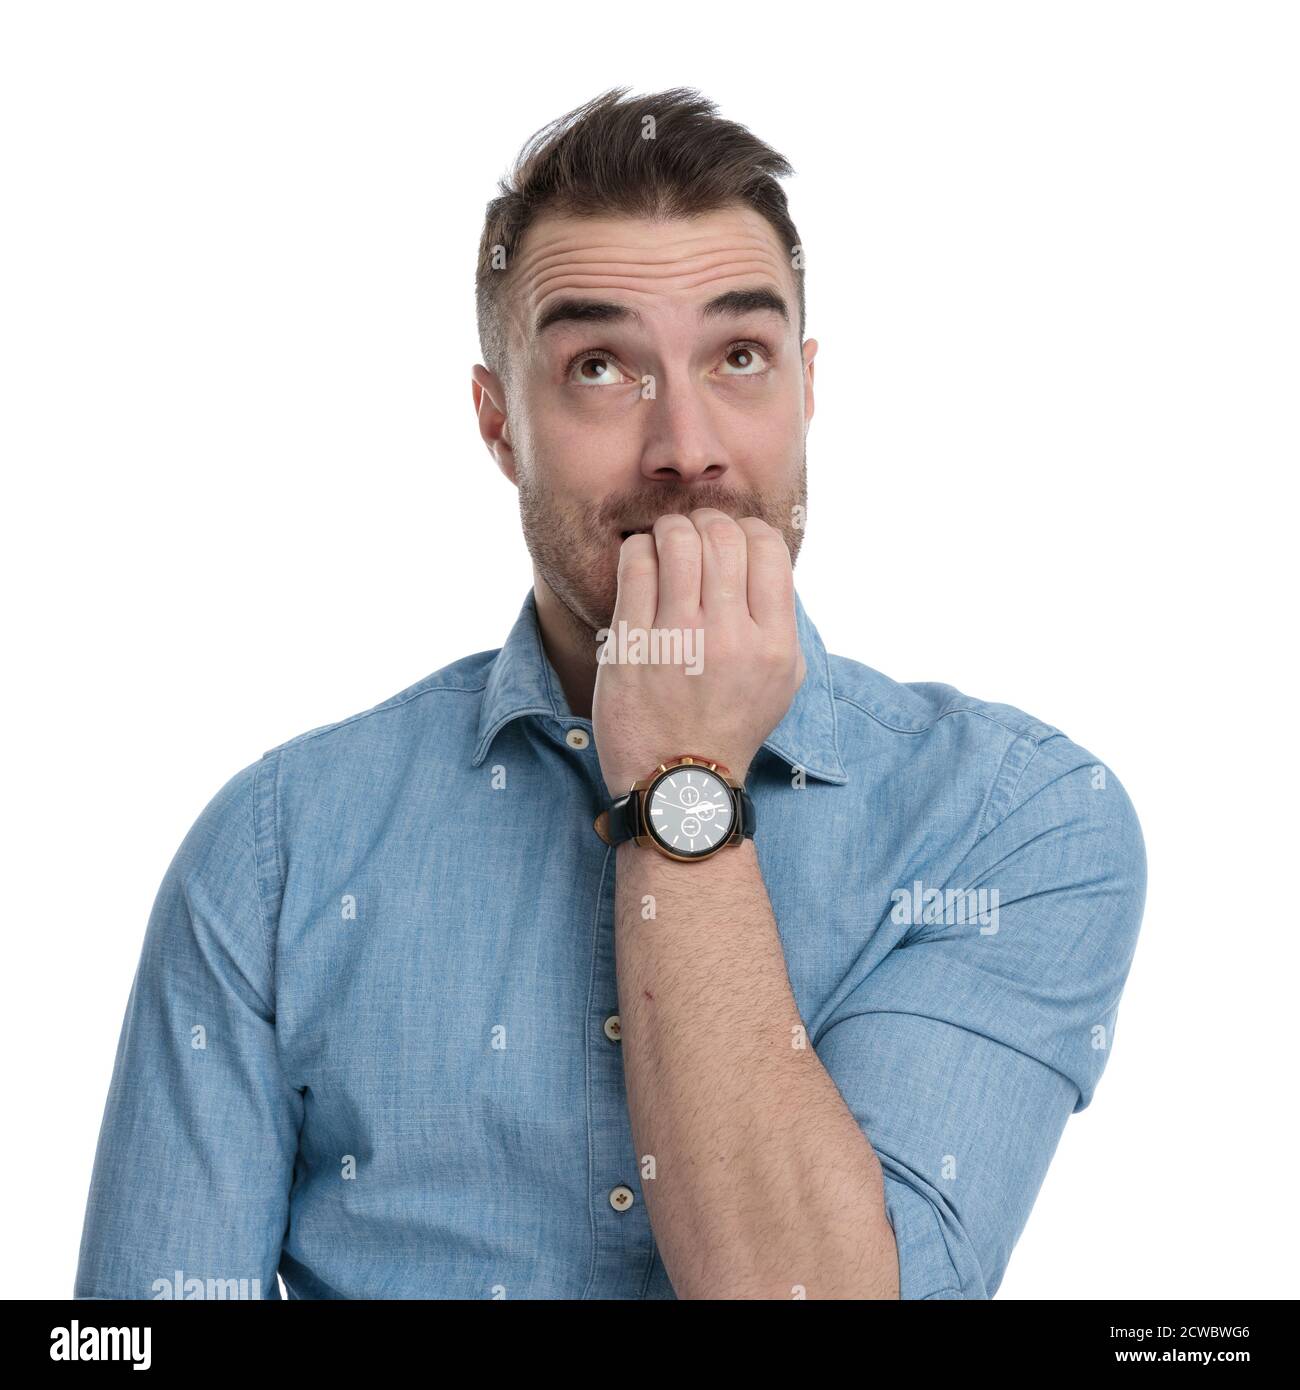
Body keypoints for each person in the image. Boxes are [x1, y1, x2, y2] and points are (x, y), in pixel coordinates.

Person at [75, 86, 1146, 1301]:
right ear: (498, 426)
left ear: (806, 389)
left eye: (738, 356)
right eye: (599, 366)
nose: (684, 442)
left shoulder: (1021, 821)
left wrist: (680, 780)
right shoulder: (275, 849)